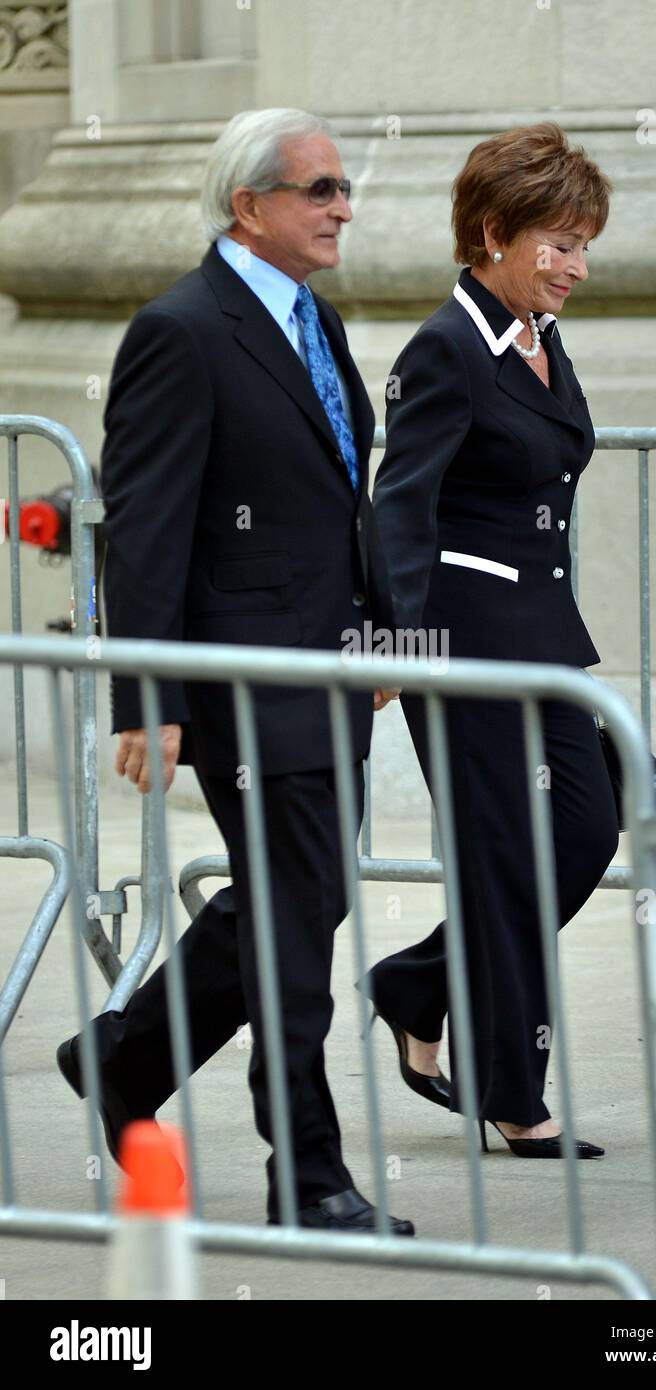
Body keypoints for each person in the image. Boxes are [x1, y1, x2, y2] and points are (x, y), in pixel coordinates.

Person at [57, 108, 411, 1235]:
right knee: (297, 926)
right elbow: (147, 529)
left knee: (298, 901)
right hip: (240, 684)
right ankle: (306, 1173)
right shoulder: (181, 330)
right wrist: (149, 699)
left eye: (344, 187)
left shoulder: (319, 319)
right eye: (319, 189)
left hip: (332, 670)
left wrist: (386, 636)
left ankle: (122, 1060)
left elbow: (346, 498)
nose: (341, 207)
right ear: (249, 205)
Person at [362, 123, 619, 1159]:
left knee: (588, 826)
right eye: (558, 243)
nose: (576, 267)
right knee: (505, 851)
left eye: (583, 244)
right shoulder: (446, 345)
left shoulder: (537, 337)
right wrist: (397, 640)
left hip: (544, 640)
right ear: (492, 233)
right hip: (460, 645)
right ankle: (515, 1094)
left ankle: (418, 980)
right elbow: (401, 503)